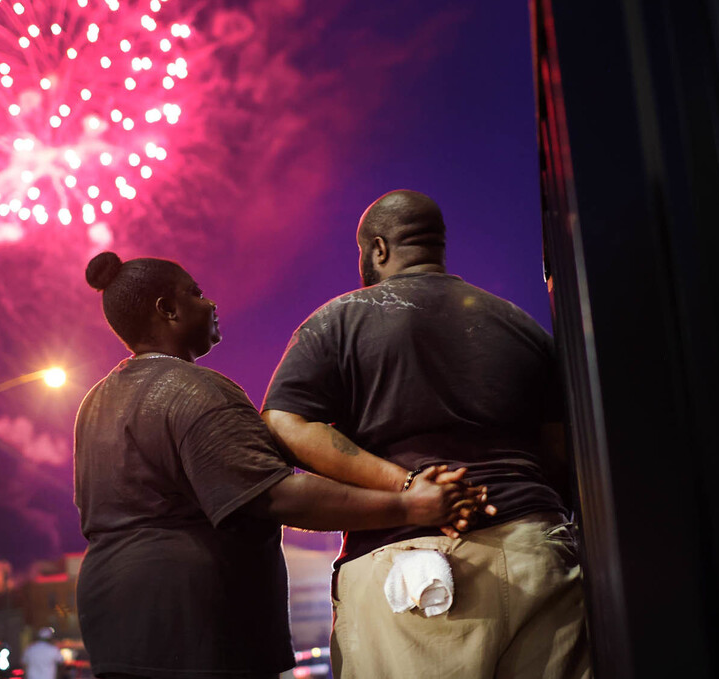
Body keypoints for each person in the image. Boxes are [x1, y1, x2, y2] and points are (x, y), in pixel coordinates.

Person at [74, 251, 488, 679]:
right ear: (167, 309)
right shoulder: (192, 390)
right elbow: (276, 496)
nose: (211, 303)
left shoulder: (96, 401)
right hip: (188, 623)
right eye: (195, 293)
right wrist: (411, 505)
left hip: (111, 621)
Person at [261, 189, 590, 678]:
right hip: (538, 551)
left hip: (414, 569)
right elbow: (563, 451)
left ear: (378, 249)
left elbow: (284, 422)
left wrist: (407, 485)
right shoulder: (521, 327)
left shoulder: (339, 321)